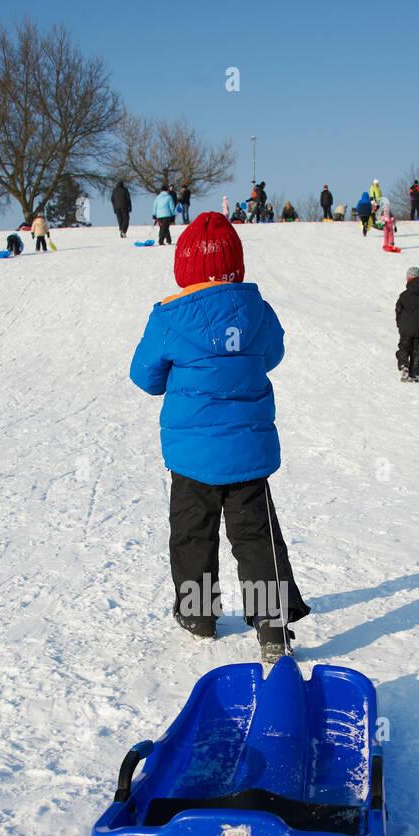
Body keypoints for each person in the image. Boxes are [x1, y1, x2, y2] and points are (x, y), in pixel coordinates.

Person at [129, 211, 310, 660]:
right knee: (256, 538)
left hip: (191, 457)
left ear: (185, 269)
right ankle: (271, 628)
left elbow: (145, 377)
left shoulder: (170, 317)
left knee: (193, 535)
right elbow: (271, 355)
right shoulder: (257, 311)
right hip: (248, 452)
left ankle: (198, 615)